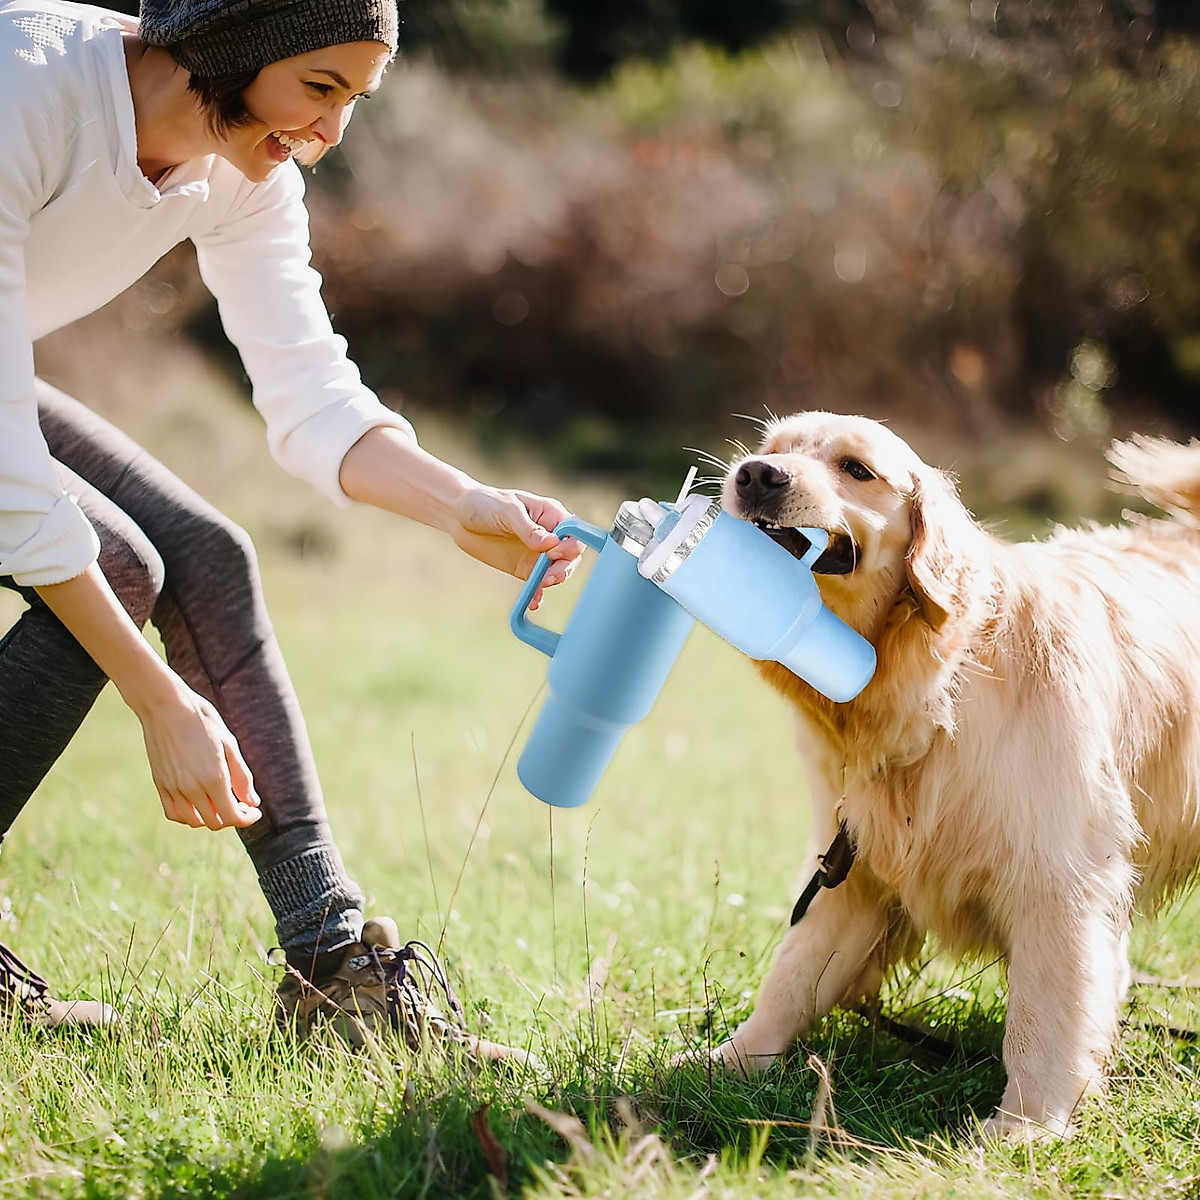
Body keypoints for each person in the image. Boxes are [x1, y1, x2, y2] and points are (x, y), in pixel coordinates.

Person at [0, 0, 580, 1046]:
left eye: (355, 101)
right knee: (119, 564)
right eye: (320, 89)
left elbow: (311, 397)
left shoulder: (243, 171)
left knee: (206, 557)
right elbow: (12, 481)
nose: (332, 135)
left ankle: (336, 967)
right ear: (229, 42)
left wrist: (464, 509)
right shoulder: (25, 92)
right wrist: (158, 698)